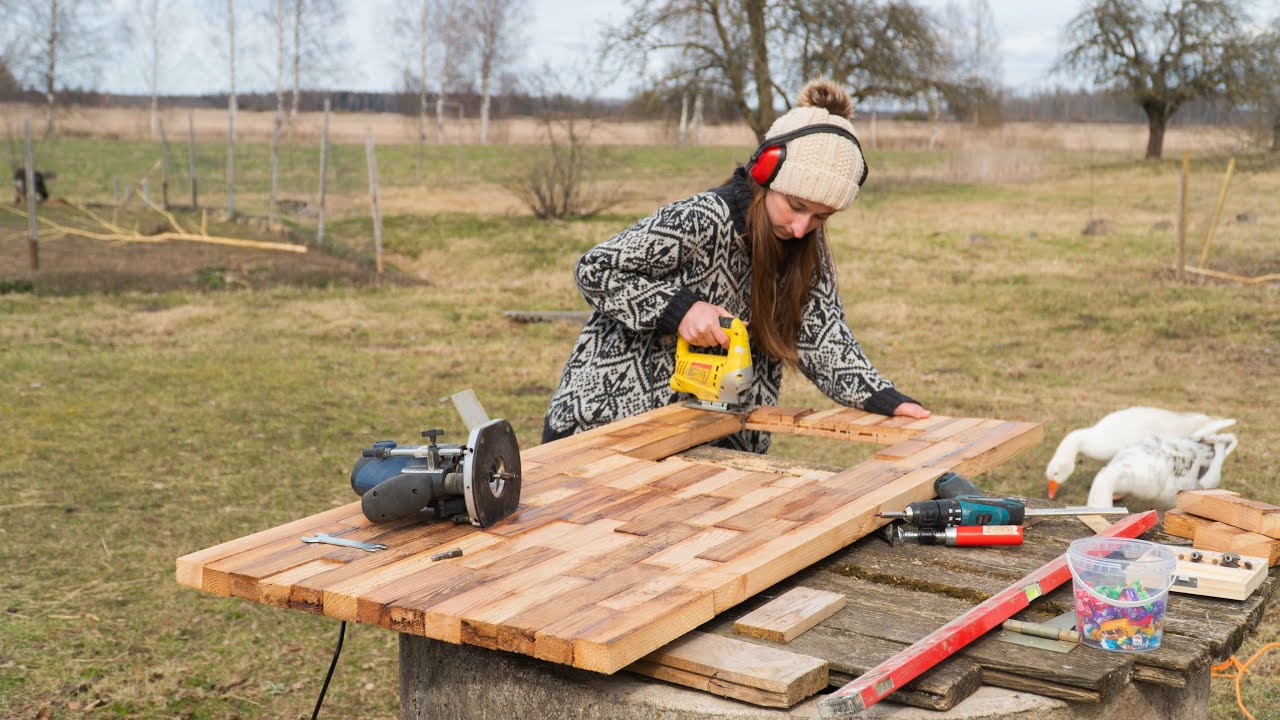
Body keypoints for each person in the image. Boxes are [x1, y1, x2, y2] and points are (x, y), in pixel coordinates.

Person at [542, 78, 928, 453]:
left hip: (707, 443)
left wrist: (883, 398)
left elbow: (825, 339)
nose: (800, 228)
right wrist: (679, 309)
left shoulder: (805, 247)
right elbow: (595, 269)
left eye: (820, 217)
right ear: (764, 173)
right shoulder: (701, 218)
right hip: (606, 433)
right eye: (796, 206)